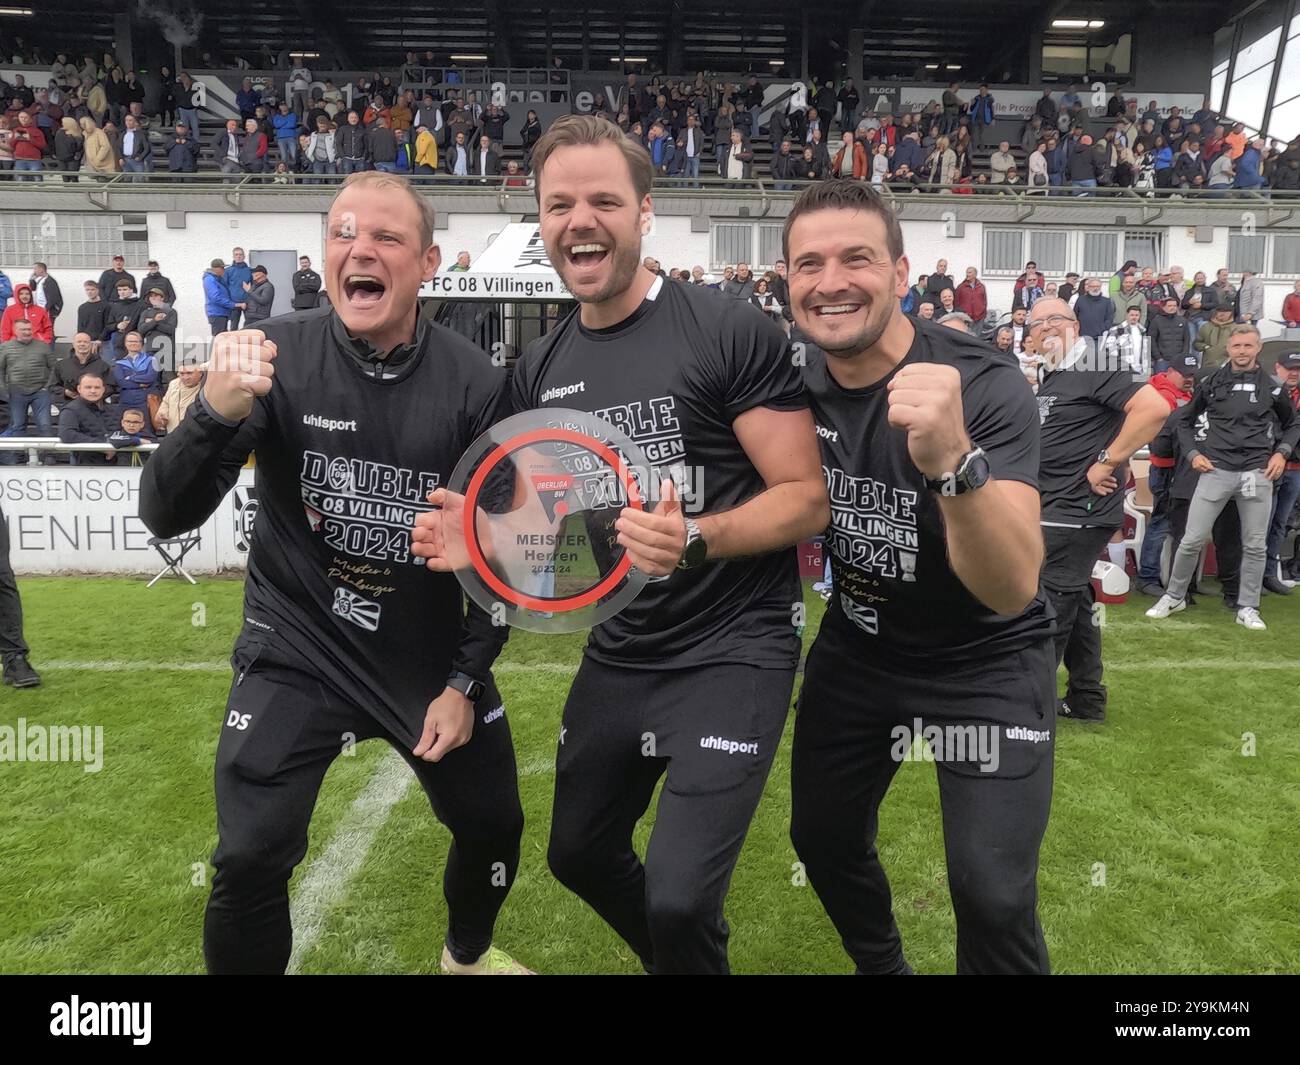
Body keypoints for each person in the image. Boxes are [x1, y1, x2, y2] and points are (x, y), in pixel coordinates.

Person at [413, 115, 829, 975]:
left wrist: (697, 540)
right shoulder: (541, 367)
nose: (580, 219)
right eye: (558, 204)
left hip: (734, 649)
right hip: (624, 650)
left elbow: (807, 496)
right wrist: (478, 542)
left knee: (680, 893)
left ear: (647, 212)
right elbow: (545, 530)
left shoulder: (725, 328)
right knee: (577, 853)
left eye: (604, 199)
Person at [140, 171, 530, 976]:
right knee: (248, 856)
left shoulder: (476, 383)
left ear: (428, 263)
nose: (361, 249)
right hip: (299, 646)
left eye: (386, 237)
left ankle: (467, 956)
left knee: (494, 826)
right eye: (344, 233)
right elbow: (165, 515)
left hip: (424, 659)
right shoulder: (275, 358)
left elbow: (505, 555)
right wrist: (213, 410)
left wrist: (463, 683)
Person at [782, 179, 1055, 974]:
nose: (831, 280)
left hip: (986, 660)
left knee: (993, 893)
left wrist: (952, 464)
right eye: (809, 263)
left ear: (902, 274)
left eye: (856, 258)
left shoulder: (984, 381)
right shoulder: (786, 384)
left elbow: (1011, 587)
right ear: (787, 283)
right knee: (823, 840)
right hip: (861, 651)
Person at [1026, 297, 1170, 721]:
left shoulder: (1093, 361)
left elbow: (1155, 408)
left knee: (1050, 600)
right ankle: (1086, 698)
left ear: (1076, 325)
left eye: (1057, 318)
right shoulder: (1055, 373)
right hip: (1059, 505)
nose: (1047, 327)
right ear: (1029, 338)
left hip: (1075, 508)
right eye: (1038, 323)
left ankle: (1029, 706)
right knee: (1076, 598)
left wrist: (1106, 462)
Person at [1149, 326, 1300, 629]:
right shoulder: (1212, 382)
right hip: (1216, 470)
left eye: (1248, 345)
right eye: (1237, 345)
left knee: (1254, 545)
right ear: (1228, 348)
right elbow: (1184, 421)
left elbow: (1293, 424)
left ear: (1258, 348)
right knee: (1191, 540)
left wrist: (1281, 453)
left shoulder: (1272, 386)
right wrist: (1193, 454)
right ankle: (1174, 595)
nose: (1242, 351)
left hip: (1257, 472)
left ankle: (1248, 606)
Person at [1135, 353, 1199, 596]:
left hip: (1182, 466)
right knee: (1161, 522)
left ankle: (1180, 581)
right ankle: (1148, 577)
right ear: (1171, 371)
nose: (1189, 379)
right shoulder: (1159, 394)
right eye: (1185, 374)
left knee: (1178, 525)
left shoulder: (1183, 395)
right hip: (1166, 466)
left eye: (1192, 375)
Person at [1265, 352, 1300, 593]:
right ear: (1278, 368)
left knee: (1280, 524)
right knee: (1261, 524)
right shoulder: (1267, 391)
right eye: (1289, 368)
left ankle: (1268, 574)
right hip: (1269, 467)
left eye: (1297, 368)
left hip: (1295, 468)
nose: (1294, 373)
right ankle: (1250, 576)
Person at [58, 371, 120, 465]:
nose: (93, 391)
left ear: (103, 389)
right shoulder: (71, 410)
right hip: (86, 466)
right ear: (79, 389)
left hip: (118, 465)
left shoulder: (113, 410)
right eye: (88, 387)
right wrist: (102, 446)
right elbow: (67, 434)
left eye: (97, 387)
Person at [204, 259, 241, 337]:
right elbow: (215, 297)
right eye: (222, 268)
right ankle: (214, 349)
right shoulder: (210, 279)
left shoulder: (218, 279)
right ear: (215, 268)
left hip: (221, 313)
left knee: (222, 338)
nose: (223, 270)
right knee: (218, 338)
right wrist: (233, 305)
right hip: (217, 313)